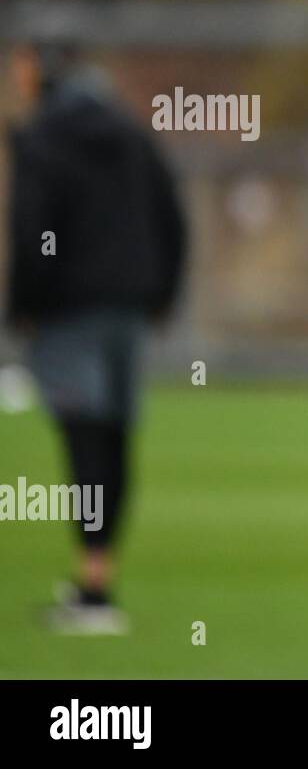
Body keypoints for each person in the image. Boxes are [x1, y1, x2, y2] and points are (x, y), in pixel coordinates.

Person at [4, 40, 187, 635]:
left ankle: (93, 589)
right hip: (130, 308)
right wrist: (160, 294)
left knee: (83, 438)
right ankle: (99, 574)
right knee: (114, 435)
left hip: (68, 309)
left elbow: (33, 230)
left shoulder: (41, 140)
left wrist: (23, 307)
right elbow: (173, 216)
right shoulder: (133, 134)